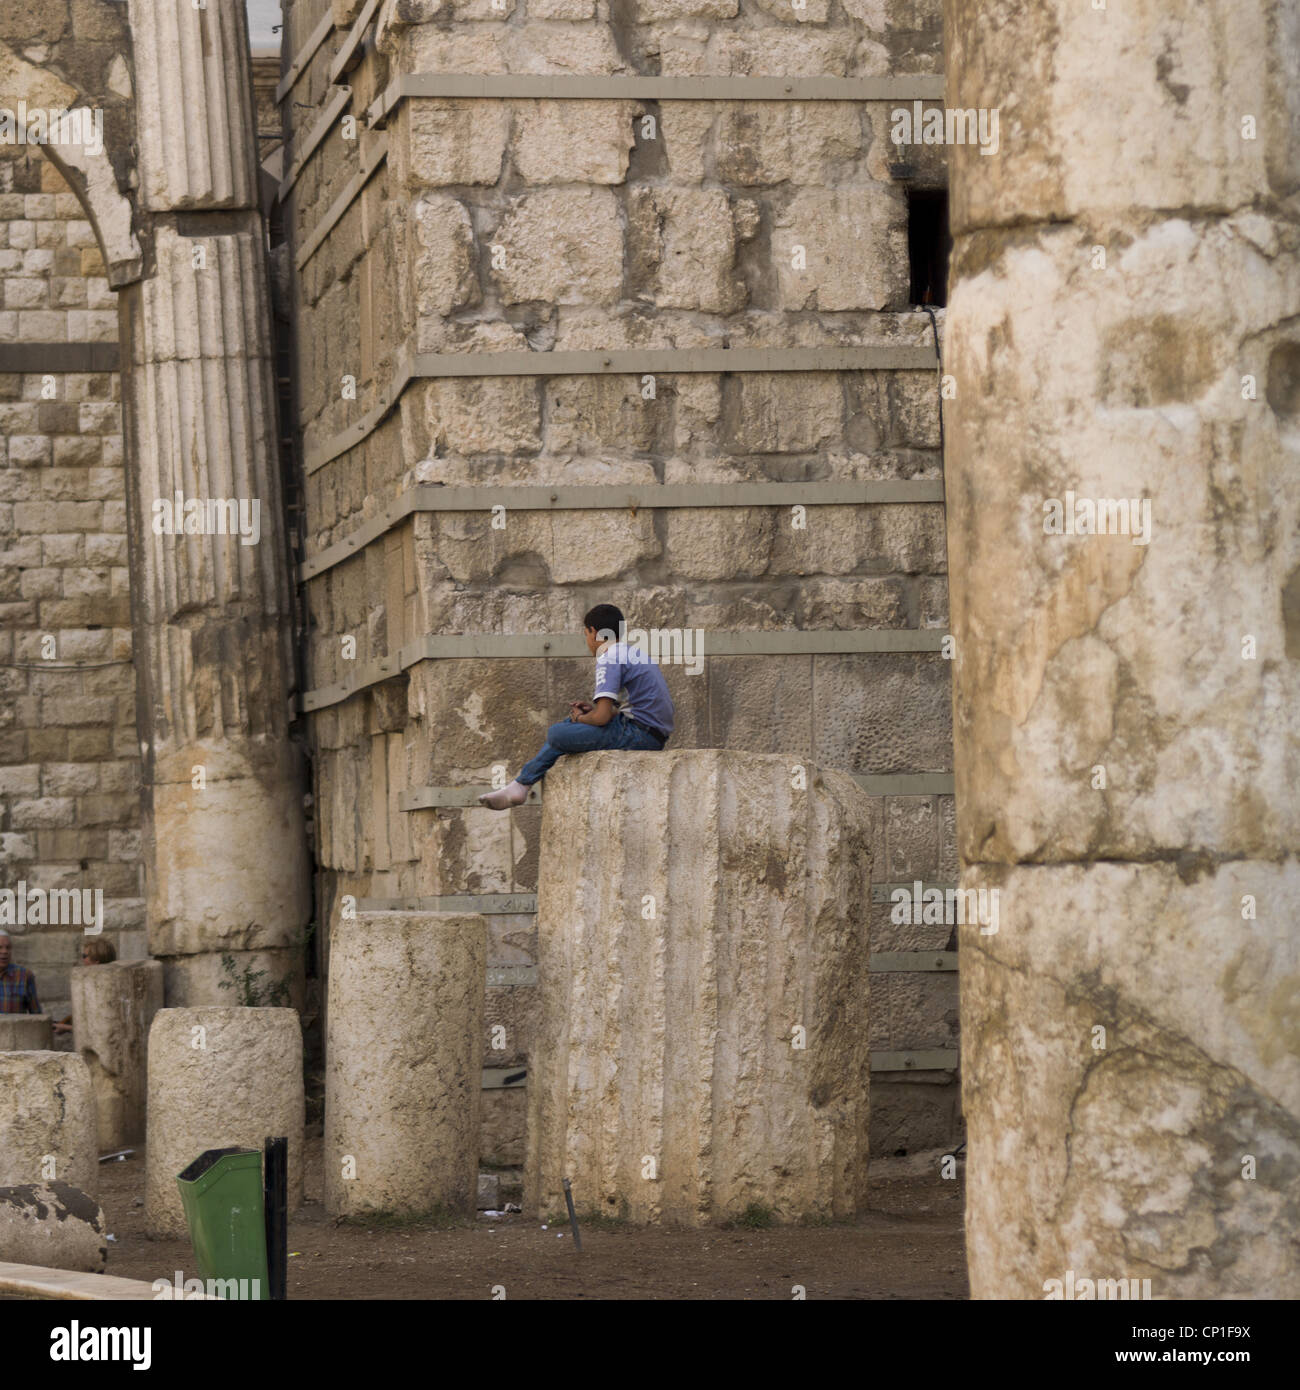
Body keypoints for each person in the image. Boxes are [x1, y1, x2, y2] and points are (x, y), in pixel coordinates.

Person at [478, 603, 675, 809]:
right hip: (650, 732)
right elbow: (626, 708)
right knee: (567, 727)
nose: (587, 642)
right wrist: (593, 711)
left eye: (586, 635)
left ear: (594, 633)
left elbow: (602, 718)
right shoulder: (633, 653)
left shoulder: (609, 657)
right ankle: (521, 785)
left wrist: (580, 718)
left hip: (639, 735)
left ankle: (521, 785)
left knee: (557, 733)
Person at [52, 937, 117, 1034]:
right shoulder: (112, 981)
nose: (83, 960)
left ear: (96, 961)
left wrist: (66, 1028)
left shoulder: (99, 987)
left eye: (84, 956)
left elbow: (100, 1027)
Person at [0, 930, 41, 1014]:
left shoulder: (24, 975)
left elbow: (36, 1015)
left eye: (8, 947)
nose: (4, 952)